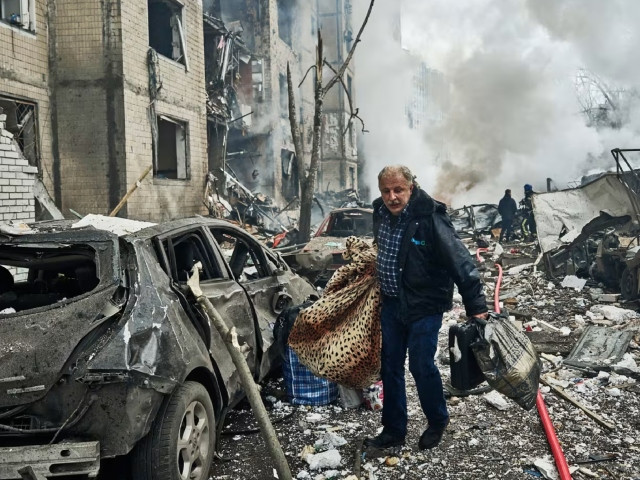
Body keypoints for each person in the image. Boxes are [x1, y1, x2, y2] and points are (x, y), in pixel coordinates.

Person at [366, 165, 488, 451]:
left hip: (425, 305)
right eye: (386, 191)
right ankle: (394, 429)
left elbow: (461, 262)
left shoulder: (431, 217)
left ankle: (437, 420)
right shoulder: (379, 213)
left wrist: (477, 306)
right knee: (391, 366)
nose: (392, 197)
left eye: (399, 190)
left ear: (411, 187)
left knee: (421, 365)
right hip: (393, 304)